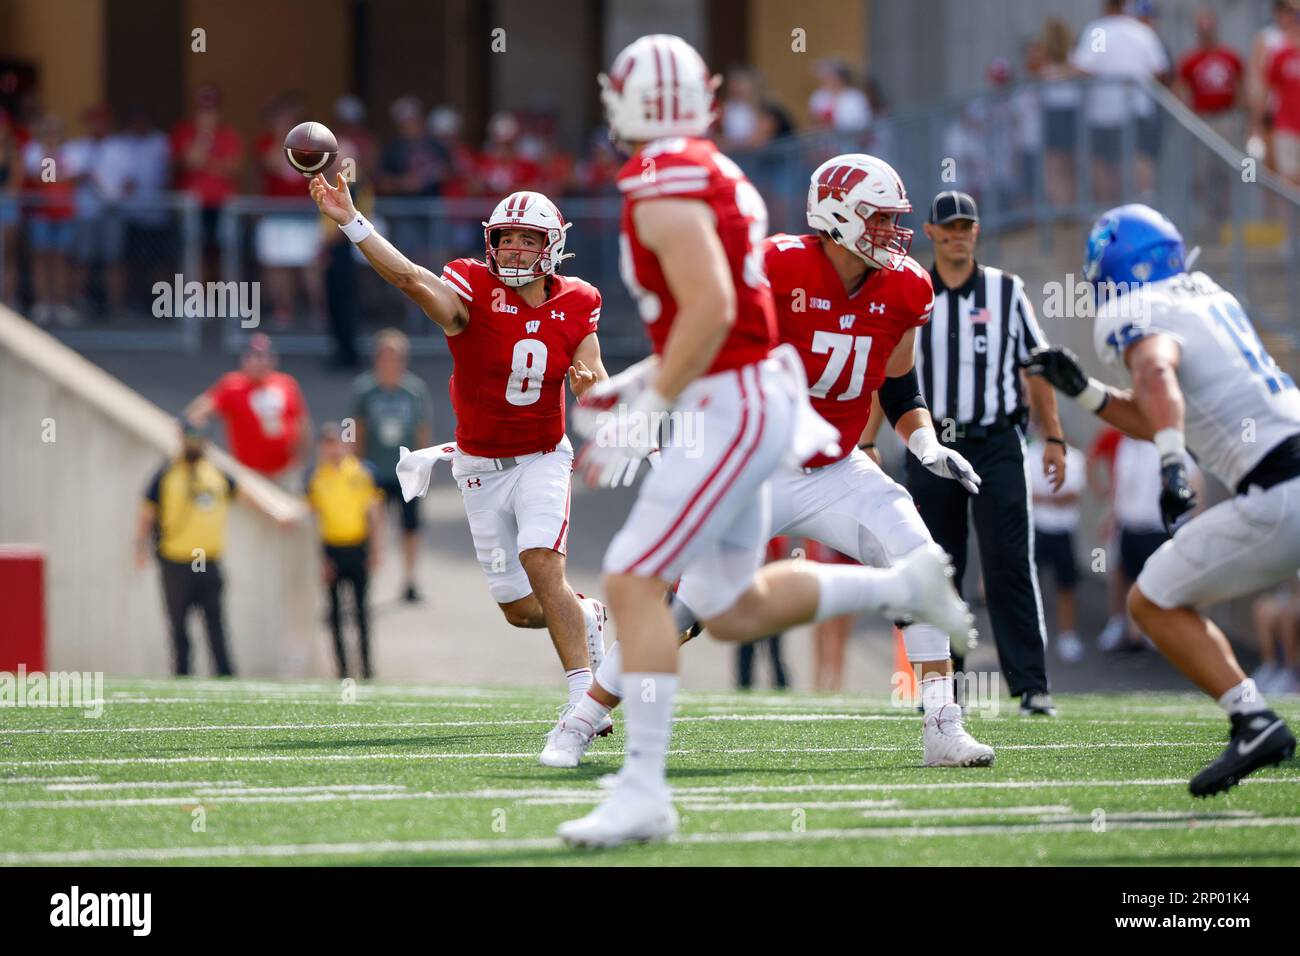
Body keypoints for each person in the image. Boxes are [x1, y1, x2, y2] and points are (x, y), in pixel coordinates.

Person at [558, 42, 975, 847]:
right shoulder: (781, 267)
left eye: (897, 219)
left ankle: (943, 724)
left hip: (836, 461)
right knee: (683, 601)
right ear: (838, 214)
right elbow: (724, 331)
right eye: (883, 218)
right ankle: (584, 719)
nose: (896, 233)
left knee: (911, 541)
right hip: (761, 453)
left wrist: (922, 447)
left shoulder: (907, 287)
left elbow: (900, 386)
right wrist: (652, 389)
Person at [308, 171, 613, 756]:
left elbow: (593, 372)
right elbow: (410, 278)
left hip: (543, 457)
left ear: (553, 246)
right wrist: (351, 220)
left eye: (528, 239)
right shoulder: (472, 286)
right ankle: (587, 615)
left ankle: (583, 702)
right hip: (478, 465)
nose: (514, 249)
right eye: (506, 237)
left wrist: (591, 389)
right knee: (521, 610)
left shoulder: (579, 299)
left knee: (541, 562)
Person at [1024, 203, 1300, 795]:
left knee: (1151, 600)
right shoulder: (1207, 297)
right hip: (1286, 466)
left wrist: (1174, 466)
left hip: (1281, 490)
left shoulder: (1135, 310)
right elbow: (1158, 407)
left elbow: (1154, 375)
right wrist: (1089, 393)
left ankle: (1252, 719)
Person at [870, 190, 1065, 716]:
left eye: (967, 227)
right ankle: (940, 688)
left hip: (996, 441)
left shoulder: (1006, 290)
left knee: (1007, 561)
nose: (958, 236)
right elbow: (883, 374)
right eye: (948, 228)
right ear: (931, 232)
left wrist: (1054, 437)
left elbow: (1037, 366)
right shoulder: (910, 290)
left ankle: (1030, 687)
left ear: (976, 232)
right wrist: (867, 441)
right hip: (929, 441)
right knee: (936, 563)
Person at [134, 422, 287, 675]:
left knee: (216, 624)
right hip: (176, 562)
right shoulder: (166, 474)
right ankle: (182, 677)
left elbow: (246, 495)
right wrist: (140, 547)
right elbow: (147, 512)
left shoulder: (216, 473)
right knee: (179, 628)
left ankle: (225, 675)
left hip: (209, 561)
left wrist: (276, 514)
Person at [351, 328, 433, 601]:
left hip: (405, 470)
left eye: (395, 357)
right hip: (375, 469)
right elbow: (353, 427)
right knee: (371, 527)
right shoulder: (364, 390)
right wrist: (354, 463)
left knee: (410, 527)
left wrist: (421, 464)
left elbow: (422, 429)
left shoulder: (414, 391)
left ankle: (410, 580)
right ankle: (367, 579)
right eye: (385, 357)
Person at [185, 333, 312, 489]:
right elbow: (202, 408)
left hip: (284, 471)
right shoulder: (232, 386)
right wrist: (193, 424)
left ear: (273, 359)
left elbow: (302, 424)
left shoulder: (287, 384)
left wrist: (300, 462)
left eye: (261, 356)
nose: (255, 362)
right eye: (250, 356)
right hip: (247, 472)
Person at [306, 422, 384, 679]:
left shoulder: (361, 473)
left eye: (337, 443)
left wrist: (375, 550)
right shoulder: (317, 477)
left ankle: (366, 668)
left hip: (357, 547)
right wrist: (319, 559)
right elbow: (313, 521)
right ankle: (342, 669)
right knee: (335, 613)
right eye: (328, 444)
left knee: (361, 611)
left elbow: (373, 514)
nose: (333, 449)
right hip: (332, 550)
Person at [1071, 0, 1170, 202]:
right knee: (1140, 156)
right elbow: (1160, 70)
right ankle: (1145, 205)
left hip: (1105, 111)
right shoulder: (1141, 30)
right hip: (1138, 108)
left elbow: (1085, 67)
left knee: (1104, 162)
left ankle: (1110, 209)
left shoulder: (1100, 31)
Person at [171, 84, 243, 282]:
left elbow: (234, 169)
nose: (207, 114)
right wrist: (203, 138)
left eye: (211, 109)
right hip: (193, 204)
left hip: (223, 203)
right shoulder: (185, 132)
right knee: (194, 251)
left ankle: (226, 303)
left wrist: (205, 162)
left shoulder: (228, 134)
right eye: (202, 109)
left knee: (225, 252)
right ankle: (197, 303)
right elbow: (189, 162)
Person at [1028, 428, 1086, 663]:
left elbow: (1071, 496)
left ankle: (1067, 636)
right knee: (1031, 585)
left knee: (1066, 587)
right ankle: (1031, 635)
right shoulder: (1030, 454)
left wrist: (1044, 497)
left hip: (1063, 531)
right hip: (1037, 529)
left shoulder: (1074, 457)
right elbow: (1030, 493)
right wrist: (1052, 498)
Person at [736, 537, 793, 691]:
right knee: (747, 646)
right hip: (750, 594)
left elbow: (777, 561)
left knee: (774, 648)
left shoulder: (776, 534)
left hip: (771, 594)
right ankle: (744, 684)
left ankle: (781, 685)